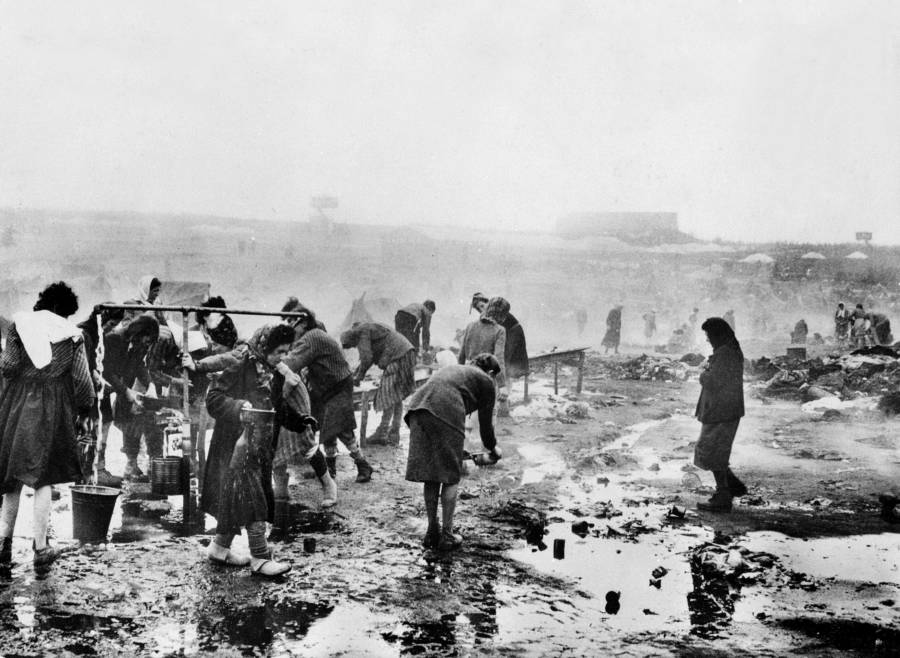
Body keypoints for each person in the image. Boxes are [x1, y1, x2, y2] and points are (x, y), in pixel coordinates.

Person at [204, 324, 317, 577]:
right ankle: (260, 558)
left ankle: (219, 547)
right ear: (265, 347)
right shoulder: (239, 364)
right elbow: (213, 400)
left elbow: (277, 409)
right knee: (253, 499)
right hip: (235, 447)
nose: (282, 357)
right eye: (278, 351)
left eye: (286, 352)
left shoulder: (271, 373)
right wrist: (239, 407)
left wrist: (301, 421)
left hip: (259, 448)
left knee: (237, 499)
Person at [0, 282, 95, 573]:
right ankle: (41, 547)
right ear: (61, 310)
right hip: (52, 408)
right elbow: (82, 382)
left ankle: (3, 544)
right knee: (44, 477)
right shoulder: (72, 335)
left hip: (16, 404)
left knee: (12, 477)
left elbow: (9, 366)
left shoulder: (20, 325)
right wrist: (83, 409)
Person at [404, 354, 502, 551]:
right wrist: (493, 448)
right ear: (491, 372)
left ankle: (432, 530)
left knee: (431, 474)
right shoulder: (486, 381)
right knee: (450, 476)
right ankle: (447, 535)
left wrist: (458, 448)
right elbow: (486, 426)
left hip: (417, 409)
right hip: (443, 411)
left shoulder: (460, 370)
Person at [278, 312, 373, 483]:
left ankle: (362, 464)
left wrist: (274, 362)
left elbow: (292, 362)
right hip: (328, 387)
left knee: (341, 427)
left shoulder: (313, 337)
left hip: (339, 385)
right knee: (329, 427)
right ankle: (330, 467)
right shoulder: (315, 335)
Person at [694, 317, 747, 512]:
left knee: (712, 451)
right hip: (724, 409)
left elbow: (713, 381)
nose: (708, 340)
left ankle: (723, 495)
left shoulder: (725, 355)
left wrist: (703, 373)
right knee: (716, 450)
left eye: (709, 335)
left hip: (720, 411)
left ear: (717, 335)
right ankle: (730, 485)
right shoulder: (730, 351)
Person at [102, 315, 160, 481]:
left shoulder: (139, 344)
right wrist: (125, 390)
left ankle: (130, 465)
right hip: (103, 385)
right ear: (139, 333)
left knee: (132, 417)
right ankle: (96, 470)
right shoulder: (114, 339)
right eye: (147, 341)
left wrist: (150, 385)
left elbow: (139, 365)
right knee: (102, 424)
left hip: (121, 385)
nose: (146, 346)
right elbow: (107, 370)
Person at [340, 322, 415, 446]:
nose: (355, 347)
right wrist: (357, 374)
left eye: (352, 346)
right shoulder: (366, 329)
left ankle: (382, 433)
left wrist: (358, 377)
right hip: (406, 352)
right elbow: (366, 360)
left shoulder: (361, 333)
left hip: (399, 355)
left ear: (352, 339)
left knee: (388, 394)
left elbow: (366, 358)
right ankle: (394, 433)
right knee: (397, 396)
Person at [76, 303, 126, 486]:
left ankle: (99, 469)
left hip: (97, 388)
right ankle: (86, 474)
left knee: (104, 424)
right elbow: (83, 364)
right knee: (87, 430)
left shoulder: (99, 334)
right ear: (102, 318)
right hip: (84, 388)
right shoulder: (83, 333)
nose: (111, 329)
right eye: (111, 324)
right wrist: (97, 377)